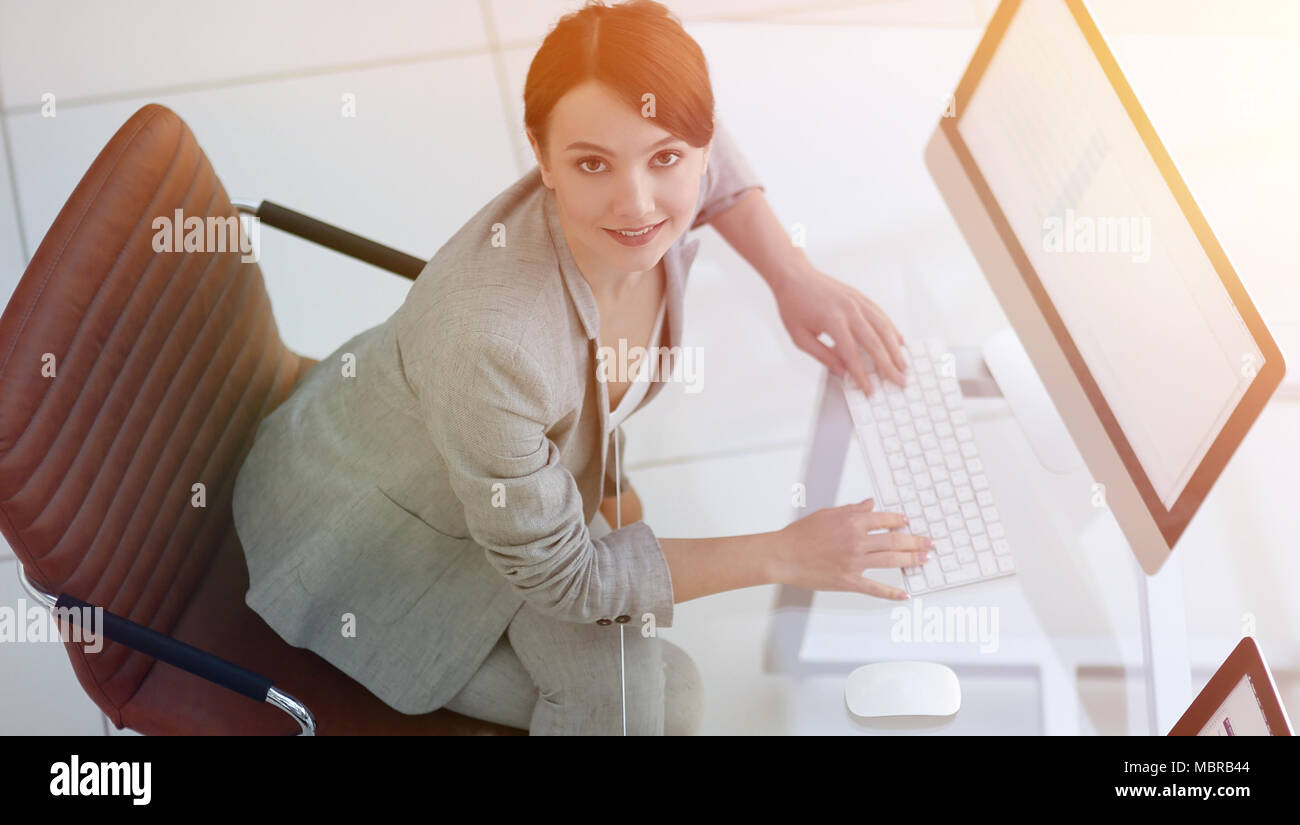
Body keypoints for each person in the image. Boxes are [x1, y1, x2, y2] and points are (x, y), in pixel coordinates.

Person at [232, 0, 929, 736]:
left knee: (668, 694)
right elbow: (567, 576)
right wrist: (786, 552)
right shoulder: (492, 343)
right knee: (654, 701)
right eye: (592, 163)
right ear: (541, 153)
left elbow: (708, 152)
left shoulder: (659, 183)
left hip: (505, 488)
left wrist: (793, 276)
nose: (637, 206)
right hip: (368, 536)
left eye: (665, 156)